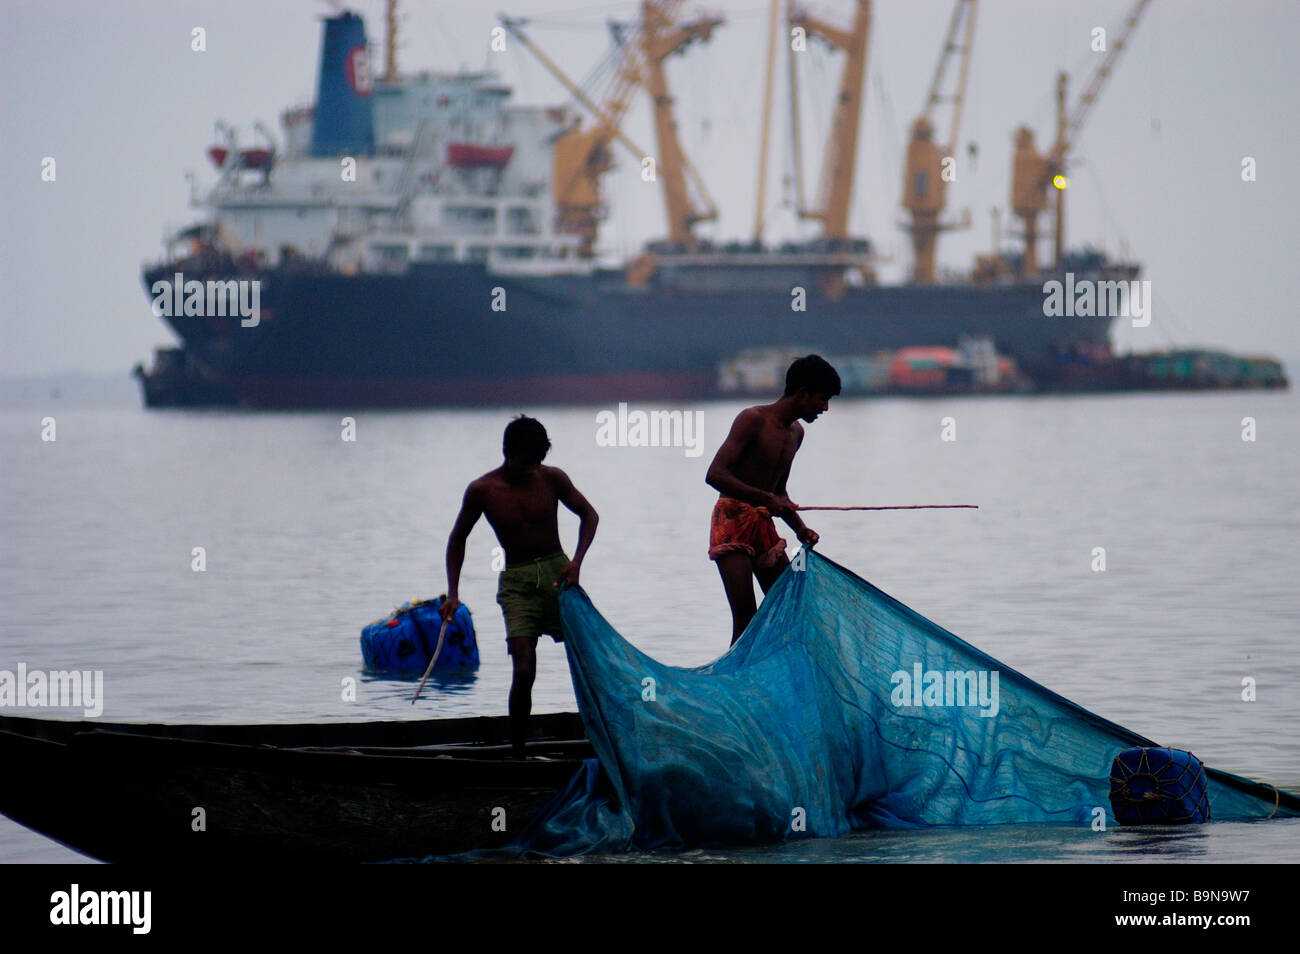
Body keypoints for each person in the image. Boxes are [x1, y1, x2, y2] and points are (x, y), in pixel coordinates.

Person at [441, 416, 598, 758]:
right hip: (517, 584)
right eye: (528, 462)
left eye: (538, 461)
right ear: (509, 453)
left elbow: (590, 515)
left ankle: (600, 739)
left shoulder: (552, 478)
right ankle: (518, 753)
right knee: (524, 667)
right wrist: (453, 594)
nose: (533, 469)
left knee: (589, 660)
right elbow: (458, 539)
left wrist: (577, 562)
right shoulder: (483, 490)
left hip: (559, 574)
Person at [705, 354, 840, 645]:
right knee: (746, 617)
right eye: (821, 399)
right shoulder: (752, 419)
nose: (825, 408)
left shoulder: (796, 434)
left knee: (787, 609)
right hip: (732, 521)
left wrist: (799, 528)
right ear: (802, 393)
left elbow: (780, 492)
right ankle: (733, 685)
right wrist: (766, 498)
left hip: (763, 526)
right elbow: (715, 474)